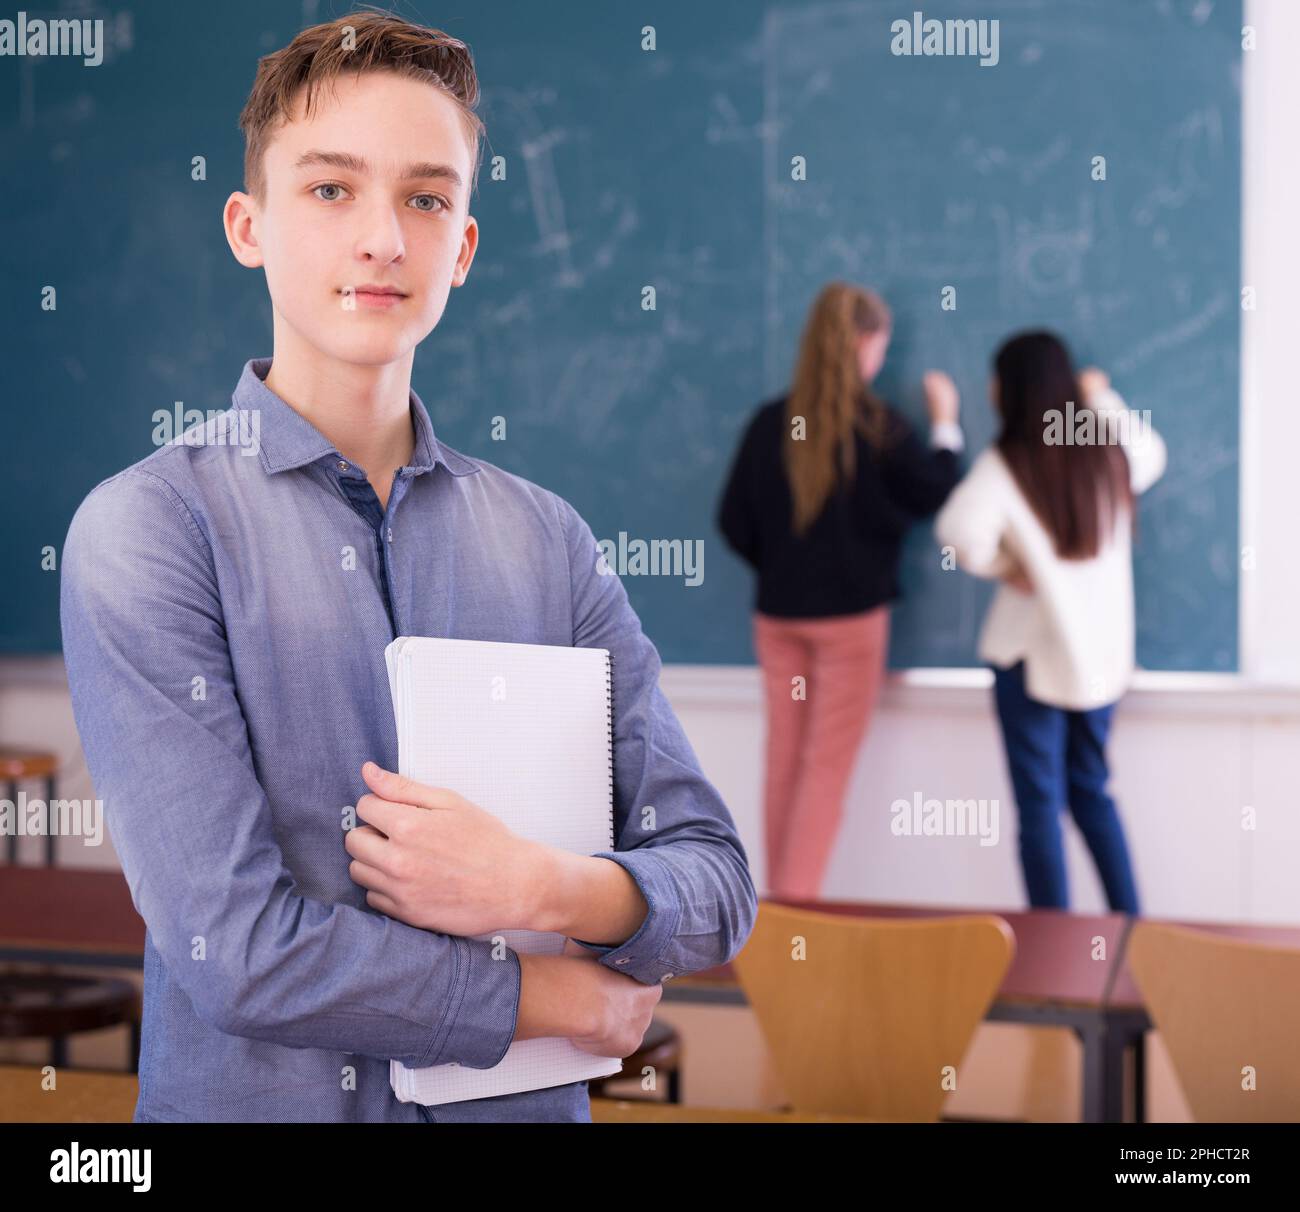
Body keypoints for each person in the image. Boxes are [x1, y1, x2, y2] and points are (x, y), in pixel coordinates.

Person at [58, 11, 756, 1123]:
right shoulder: (148, 532)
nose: (383, 237)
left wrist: (539, 886)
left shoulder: (548, 543)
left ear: (464, 247)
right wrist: (547, 993)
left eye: (426, 198)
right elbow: (235, 950)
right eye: (331, 190)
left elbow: (717, 881)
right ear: (248, 226)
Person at [717, 282, 964, 899]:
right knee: (822, 772)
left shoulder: (771, 422)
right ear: (865, 343)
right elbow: (933, 488)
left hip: (779, 617)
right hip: (851, 623)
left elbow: (733, 521)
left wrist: (783, 568)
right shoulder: (880, 427)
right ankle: (796, 919)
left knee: (785, 764)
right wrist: (948, 425)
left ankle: (770, 917)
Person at [935, 331, 1166, 913]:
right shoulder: (1106, 449)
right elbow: (1153, 451)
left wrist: (1008, 565)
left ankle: (1053, 950)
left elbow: (959, 533)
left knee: (1039, 808)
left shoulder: (1007, 464)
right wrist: (1100, 399)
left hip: (1031, 659)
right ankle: (1133, 934)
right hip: (1099, 664)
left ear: (1010, 390)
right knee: (1093, 794)